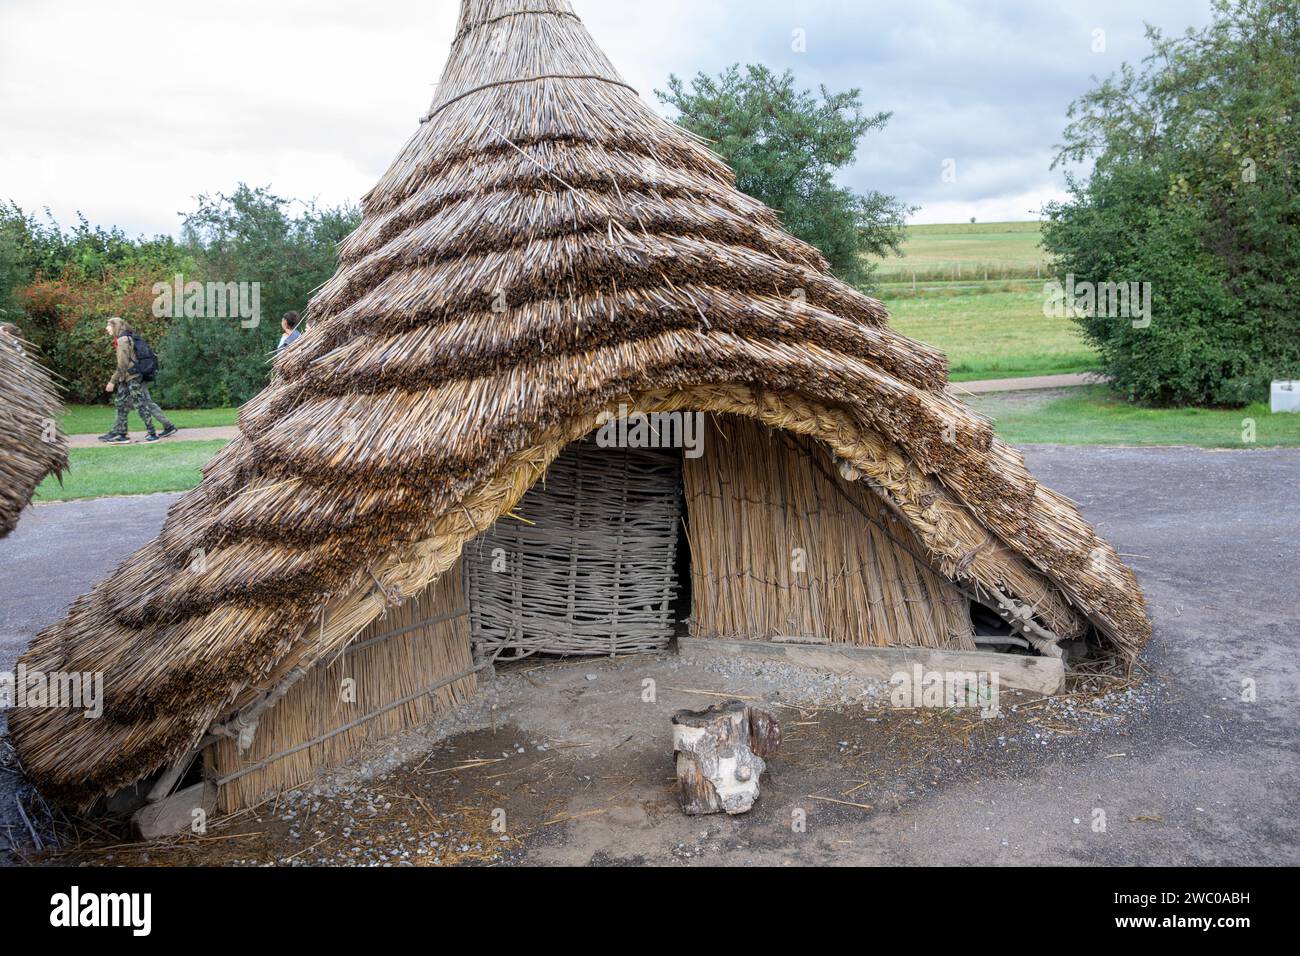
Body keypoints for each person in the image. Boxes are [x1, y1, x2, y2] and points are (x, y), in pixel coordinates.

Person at [98, 317, 177, 444]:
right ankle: (121, 434)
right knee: (121, 404)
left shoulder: (123, 340)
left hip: (132, 377)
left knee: (141, 405)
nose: (106, 328)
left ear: (116, 326)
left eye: (108, 326)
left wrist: (112, 381)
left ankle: (152, 433)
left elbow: (123, 364)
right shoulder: (123, 338)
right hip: (126, 377)